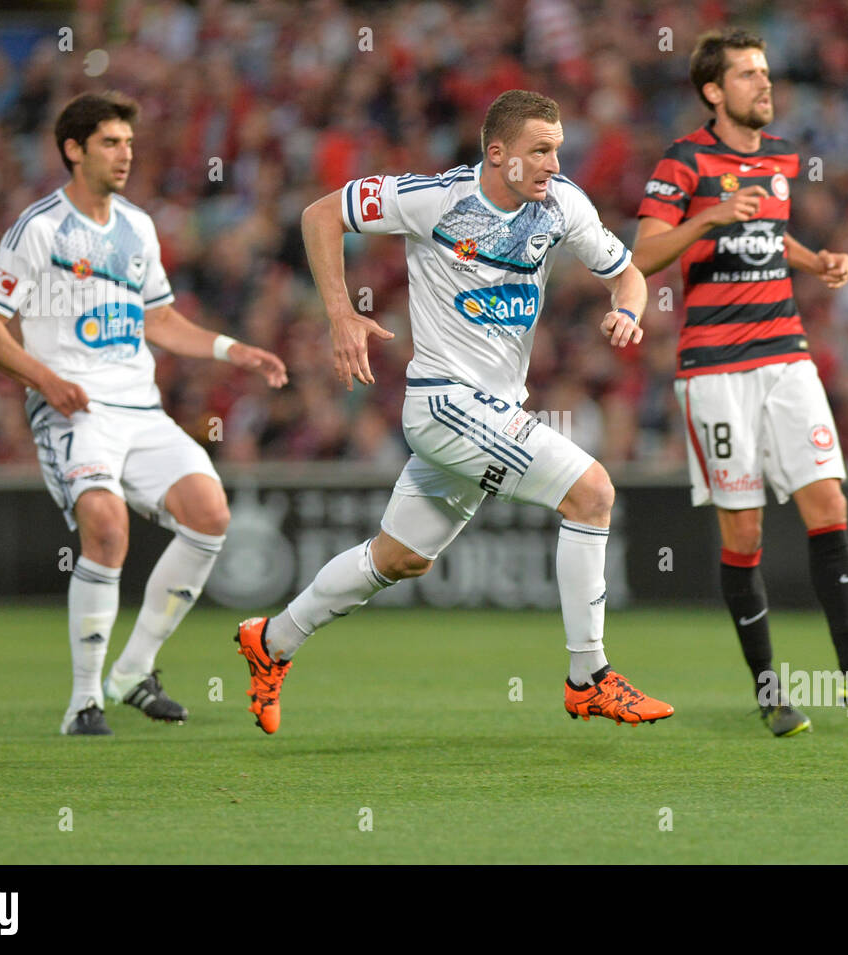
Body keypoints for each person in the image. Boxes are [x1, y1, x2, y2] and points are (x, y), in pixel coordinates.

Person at [234, 89, 673, 734]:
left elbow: (628, 272)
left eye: (558, 149)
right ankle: (590, 677)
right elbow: (320, 215)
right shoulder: (434, 199)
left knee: (399, 558)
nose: (555, 163)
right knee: (592, 493)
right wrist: (338, 312)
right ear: (498, 154)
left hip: (494, 409)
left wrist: (628, 310)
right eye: (540, 151)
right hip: (443, 402)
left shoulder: (562, 205)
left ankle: (270, 640)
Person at [0, 91, 287, 735]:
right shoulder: (41, 228)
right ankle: (84, 701)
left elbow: (160, 320)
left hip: (140, 408)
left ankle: (133, 671)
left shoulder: (138, 227)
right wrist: (44, 378)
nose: (125, 154)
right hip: (74, 408)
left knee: (209, 515)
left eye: (129, 144)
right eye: (111, 143)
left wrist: (233, 350)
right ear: (73, 149)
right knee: (107, 529)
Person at [632, 30, 848, 737]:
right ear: (713, 92)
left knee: (827, 498)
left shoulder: (783, 157)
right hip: (715, 366)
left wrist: (816, 262)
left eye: (765, 72)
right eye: (749, 75)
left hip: (786, 354)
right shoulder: (683, 161)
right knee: (746, 528)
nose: (765, 84)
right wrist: (708, 215)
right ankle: (769, 689)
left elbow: (767, 235)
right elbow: (644, 254)